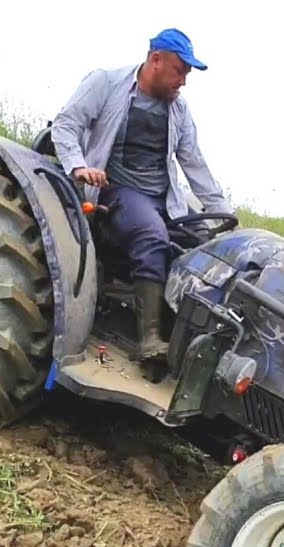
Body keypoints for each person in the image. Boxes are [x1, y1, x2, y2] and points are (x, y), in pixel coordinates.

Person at [50, 28, 233, 364]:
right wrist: (78, 167)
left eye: (187, 74)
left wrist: (224, 216)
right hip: (116, 191)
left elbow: (194, 165)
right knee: (152, 235)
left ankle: (193, 338)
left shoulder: (178, 111)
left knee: (204, 247)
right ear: (156, 60)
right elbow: (65, 125)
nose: (184, 81)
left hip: (163, 199)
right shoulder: (106, 83)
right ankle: (149, 339)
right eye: (180, 71)